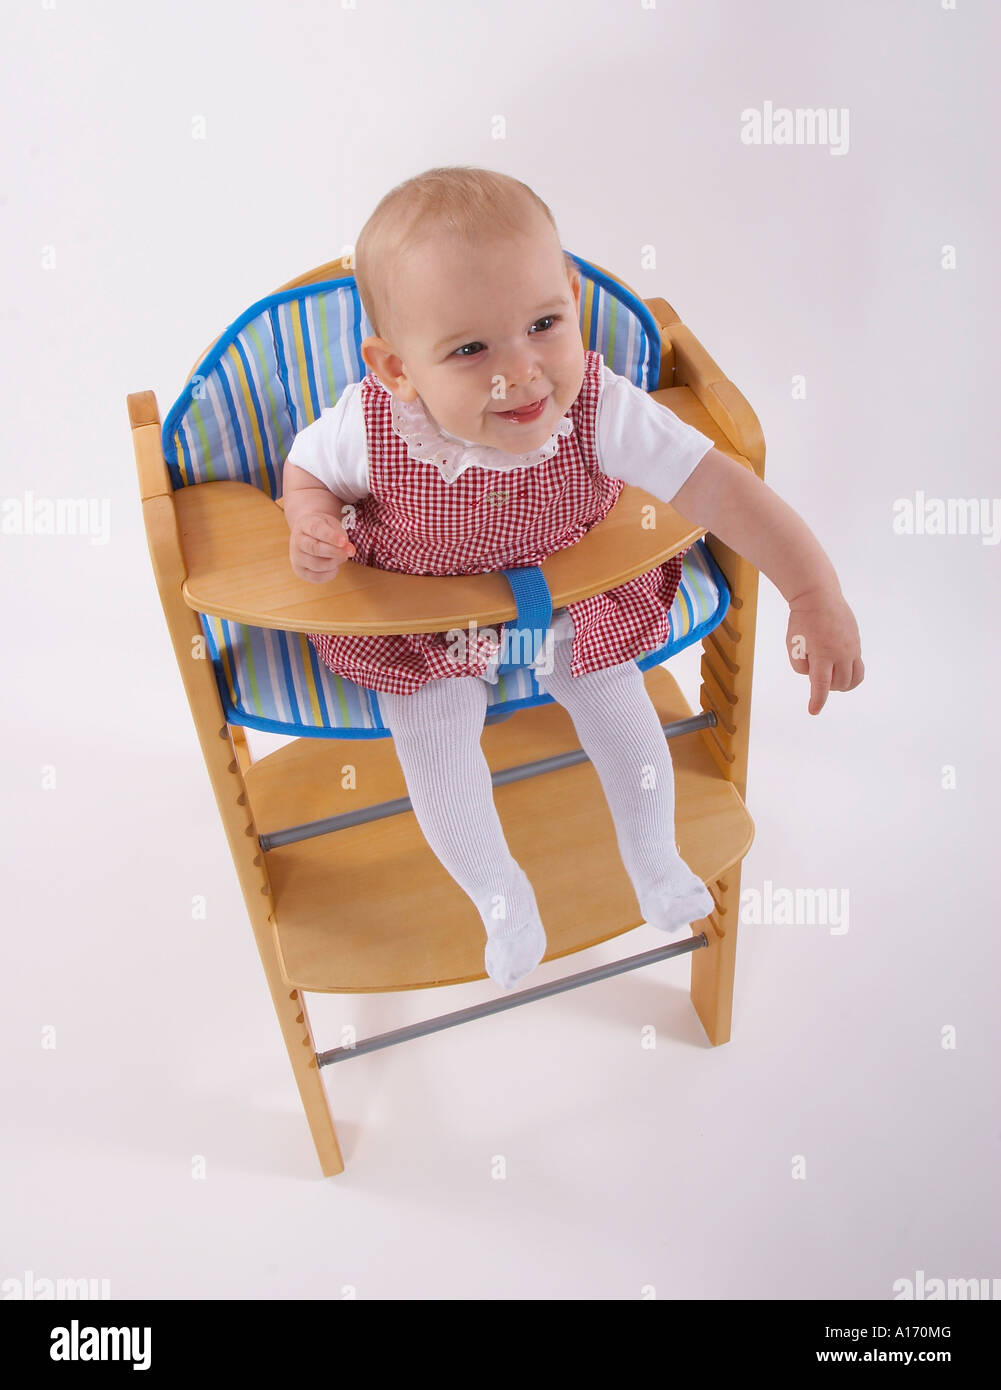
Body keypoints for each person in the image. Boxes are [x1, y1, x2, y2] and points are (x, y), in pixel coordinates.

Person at [281, 166, 864, 991]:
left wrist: (813, 594)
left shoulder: (599, 406)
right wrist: (309, 521)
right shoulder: (372, 431)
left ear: (573, 301)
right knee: (436, 740)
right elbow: (304, 471)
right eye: (470, 348)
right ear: (397, 370)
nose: (520, 372)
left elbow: (724, 488)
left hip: (569, 596)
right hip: (429, 619)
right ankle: (498, 894)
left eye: (542, 323)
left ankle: (653, 855)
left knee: (619, 705)